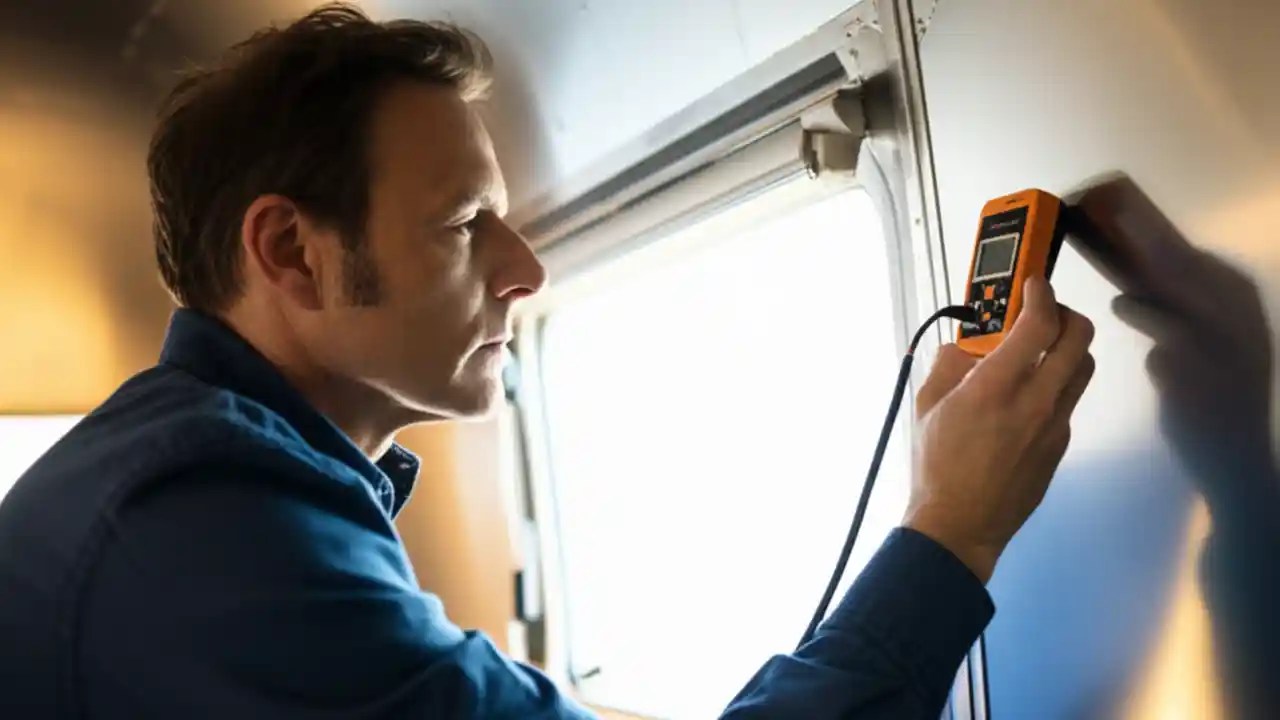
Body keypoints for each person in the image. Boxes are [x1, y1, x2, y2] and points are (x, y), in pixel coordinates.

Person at [0, 5, 1095, 718]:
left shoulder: (204, 484)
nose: (523, 268)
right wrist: (952, 531)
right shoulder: (210, 537)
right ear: (292, 251)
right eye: (465, 220)